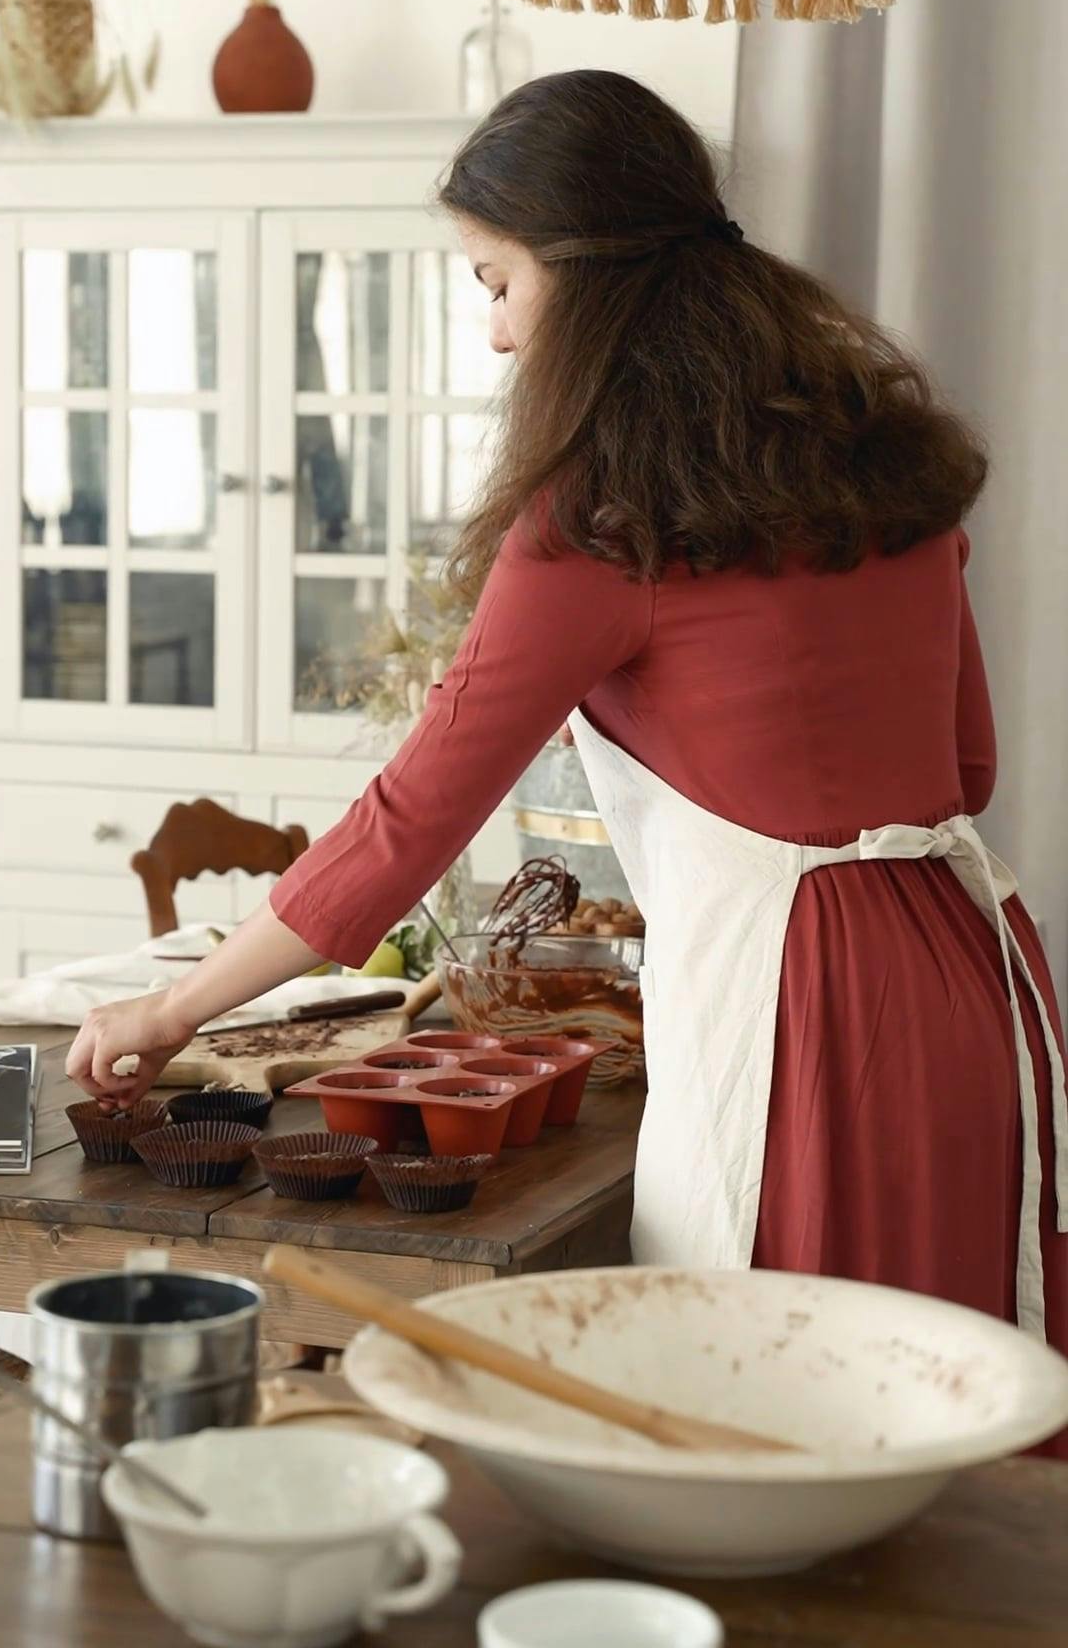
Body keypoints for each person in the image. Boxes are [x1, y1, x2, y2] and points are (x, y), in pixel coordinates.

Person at [68, 70, 1068, 1380]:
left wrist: (172, 1011)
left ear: (584, 275)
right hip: (973, 985)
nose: (495, 334)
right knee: (948, 1414)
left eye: (498, 283)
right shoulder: (882, 462)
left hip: (803, 1018)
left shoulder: (604, 517)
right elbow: (967, 769)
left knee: (762, 1407)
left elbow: (406, 824)